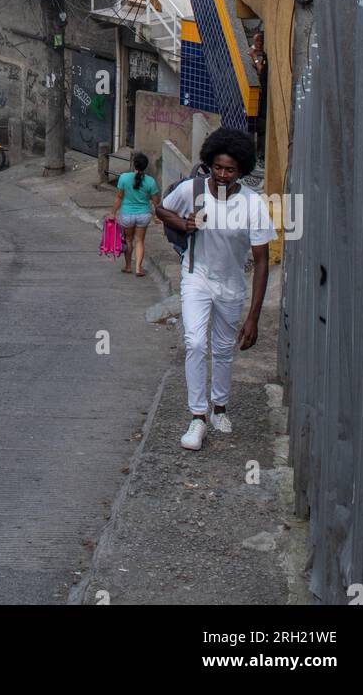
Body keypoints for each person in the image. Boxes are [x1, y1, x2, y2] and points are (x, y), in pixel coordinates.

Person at [155, 128, 276, 451]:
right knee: (195, 342)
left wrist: (254, 318)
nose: (222, 174)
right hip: (196, 276)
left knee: (223, 349)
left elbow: (262, 262)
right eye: (218, 167)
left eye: (230, 169)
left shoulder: (253, 205)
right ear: (209, 163)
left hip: (232, 285)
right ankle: (197, 416)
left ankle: (219, 408)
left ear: (242, 171)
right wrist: (184, 223)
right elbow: (161, 210)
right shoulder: (192, 189)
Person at [111, 152, 160, 277]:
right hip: (143, 215)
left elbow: (119, 197)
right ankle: (138, 268)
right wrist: (157, 216)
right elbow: (156, 202)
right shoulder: (151, 181)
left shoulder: (124, 178)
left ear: (134, 165)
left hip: (126, 215)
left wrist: (113, 213)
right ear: (145, 166)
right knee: (139, 241)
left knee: (128, 240)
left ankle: (128, 266)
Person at [248, 30, 268, 165]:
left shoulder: (262, 56)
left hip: (264, 96)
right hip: (259, 96)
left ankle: (261, 154)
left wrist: (255, 57)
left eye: (259, 41)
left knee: (261, 127)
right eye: (256, 41)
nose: (257, 44)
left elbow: (261, 70)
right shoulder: (254, 53)